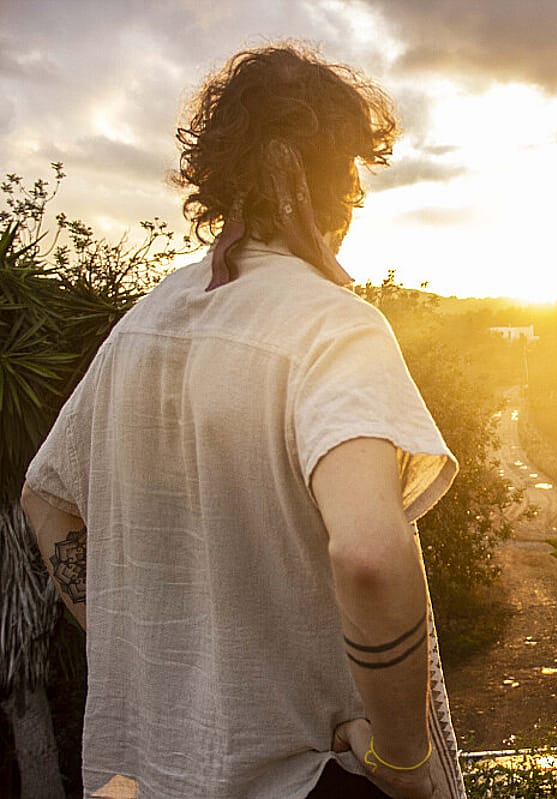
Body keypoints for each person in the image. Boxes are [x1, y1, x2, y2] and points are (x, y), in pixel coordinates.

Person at [20, 45, 467, 799]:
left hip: (159, 777)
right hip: (311, 775)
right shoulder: (334, 329)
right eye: (352, 170)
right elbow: (369, 553)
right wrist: (400, 755)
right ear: (332, 181)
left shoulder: (141, 328)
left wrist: (155, 639)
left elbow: (45, 495)